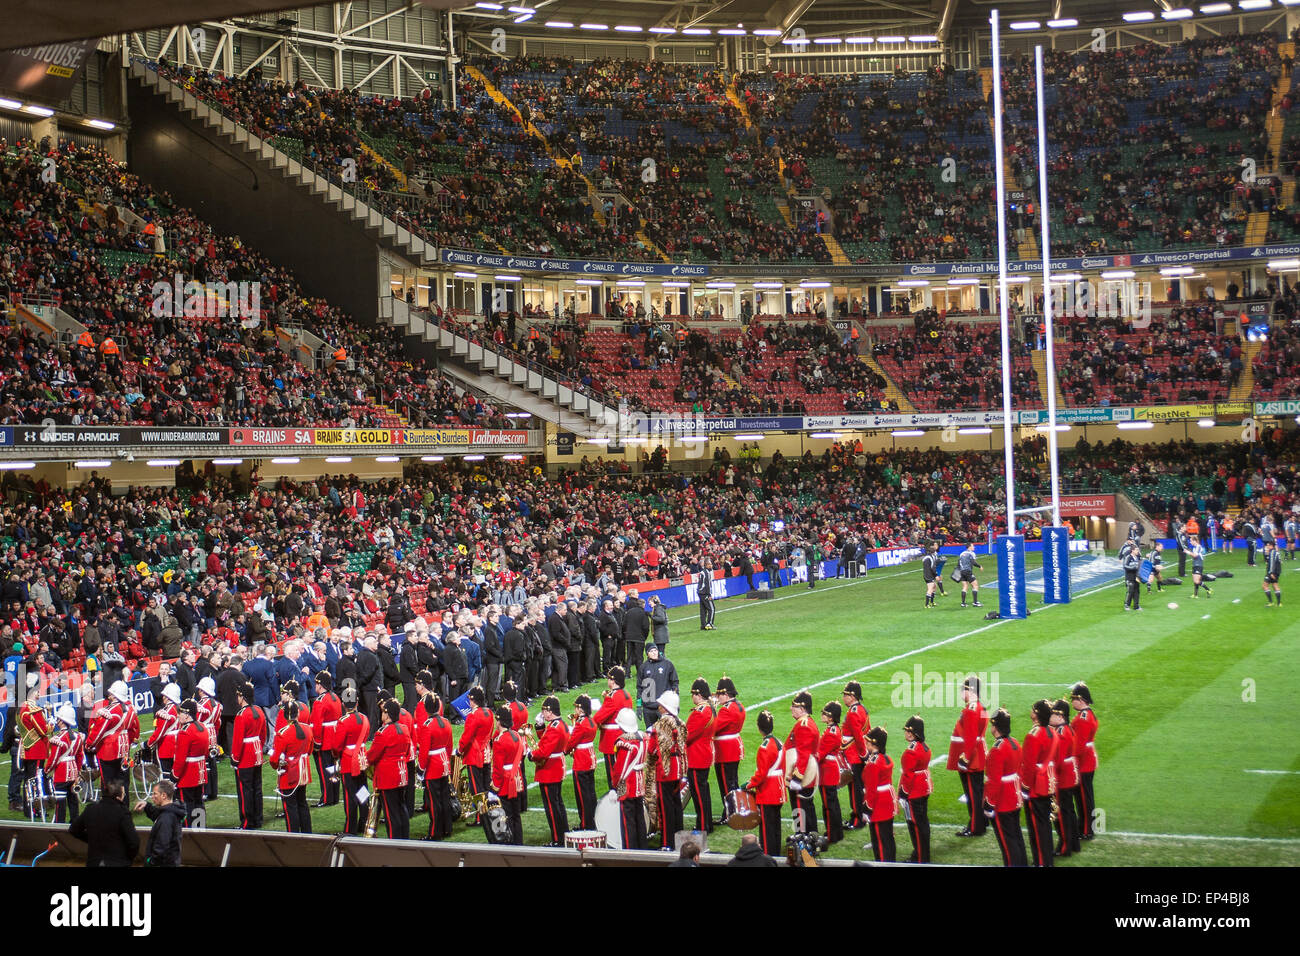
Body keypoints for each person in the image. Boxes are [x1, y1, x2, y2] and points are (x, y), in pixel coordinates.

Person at [984, 707, 1028, 867]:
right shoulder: (1015, 743)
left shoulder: (997, 749)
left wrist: (989, 804)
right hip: (1015, 797)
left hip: (1003, 802)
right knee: (1016, 837)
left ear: (995, 727)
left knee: (1007, 843)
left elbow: (994, 781)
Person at [647, 689, 687, 850]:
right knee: (677, 803)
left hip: (665, 769)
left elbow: (652, 749)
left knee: (665, 807)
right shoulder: (680, 722)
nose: (659, 706)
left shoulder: (661, 724)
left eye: (661, 704)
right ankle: (679, 839)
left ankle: (667, 842)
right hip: (679, 767)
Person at [366, 699, 411, 840]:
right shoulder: (404, 728)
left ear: (387, 714)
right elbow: (408, 749)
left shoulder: (382, 732)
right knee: (401, 807)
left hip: (388, 776)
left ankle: (395, 840)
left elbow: (372, 755)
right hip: (401, 772)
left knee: (391, 813)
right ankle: (404, 837)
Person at [1020, 699, 1058, 868]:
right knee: (1044, 825)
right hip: (1048, 781)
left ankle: (1041, 862)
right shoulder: (1052, 732)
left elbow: (1029, 765)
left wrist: (1025, 787)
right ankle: (1046, 859)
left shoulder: (1034, 735)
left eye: (1033, 709)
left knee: (1037, 827)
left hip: (1035, 786)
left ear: (1036, 714)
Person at [949, 676, 988, 837]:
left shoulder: (972, 709)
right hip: (976, 755)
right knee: (976, 792)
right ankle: (981, 822)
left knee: (973, 794)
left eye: (963, 689)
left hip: (971, 758)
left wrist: (965, 758)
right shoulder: (978, 707)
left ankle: (975, 826)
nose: (961, 692)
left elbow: (971, 737)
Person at [530, 695, 570, 847]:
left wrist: (530, 755)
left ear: (549, 711)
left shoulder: (554, 728)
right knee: (558, 804)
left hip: (549, 770)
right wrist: (540, 728)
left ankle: (557, 839)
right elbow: (547, 740)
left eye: (544, 711)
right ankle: (563, 833)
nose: (543, 714)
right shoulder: (560, 724)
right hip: (556, 767)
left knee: (552, 808)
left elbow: (544, 751)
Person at [69, 780, 139, 867]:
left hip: (94, 861)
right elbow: (134, 841)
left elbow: (74, 830)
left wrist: (91, 838)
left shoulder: (90, 809)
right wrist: (128, 857)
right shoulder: (122, 812)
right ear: (118, 797)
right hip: (118, 861)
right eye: (124, 795)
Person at [743, 710, 784, 857]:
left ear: (759, 727)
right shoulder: (779, 742)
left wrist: (748, 785)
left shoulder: (765, 747)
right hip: (779, 789)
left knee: (766, 827)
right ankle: (776, 853)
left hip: (768, 791)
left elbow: (761, 774)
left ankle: (768, 855)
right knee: (776, 824)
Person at [269, 700, 313, 834]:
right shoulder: (307, 729)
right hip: (303, 770)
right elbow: (309, 751)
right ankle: (307, 832)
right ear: (298, 713)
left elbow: (274, 759)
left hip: (289, 772)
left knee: (290, 807)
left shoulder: (283, 733)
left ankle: (293, 834)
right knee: (302, 803)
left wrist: (275, 764)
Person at [416, 691, 454, 840]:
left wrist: (421, 769)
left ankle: (435, 832)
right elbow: (449, 746)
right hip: (444, 762)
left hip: (433, 765)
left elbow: (424, 752)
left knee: (434, 801)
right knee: (445, 798)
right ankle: (447, 828)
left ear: (426, 709)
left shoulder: (427, 726)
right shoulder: (446, 722)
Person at [87, 680, 139, 790]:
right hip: (124, 748)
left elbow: (98, 731)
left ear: (114, 695)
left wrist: (89, 744)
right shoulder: (130, 710)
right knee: (123, 782)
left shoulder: (109, 711)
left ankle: (112, 806)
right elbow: (133, 729)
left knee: (109, 784)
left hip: (109, 750)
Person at [230, 681, 266, 830]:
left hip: (245, 756)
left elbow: (238, 740)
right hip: (257, 753)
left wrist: (234, 758)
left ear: (242, 697)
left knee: (245, 790)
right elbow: (263, 735)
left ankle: (247, 821)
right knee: (256, 788)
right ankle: (258, 818)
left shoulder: (242, 714)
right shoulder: (258, 710)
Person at [336, 687, 371, 836]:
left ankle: (350, 828)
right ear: (357, 702)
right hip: (362, 758)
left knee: (350, 795)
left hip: (349, 760)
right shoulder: (364, 718)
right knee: (363, 792)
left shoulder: (343, 721)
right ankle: (364, 823)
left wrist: (336, 756)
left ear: (344, 704)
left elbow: (336, 745)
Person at [612, 707, 648, 850]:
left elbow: (620, 768)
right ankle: (642, 848)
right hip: (639, 780)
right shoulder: (643, 737)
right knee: (639, 817)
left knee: (628, 822)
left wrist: (615, 786)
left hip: (628, 784)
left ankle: (630, 851)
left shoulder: (624, 742)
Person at [711, 676, 745, 826]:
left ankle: (729, 814)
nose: (717, 698)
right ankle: (735, 810)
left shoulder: (726, 710)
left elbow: (714, 727)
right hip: (733, 748)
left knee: (726, 785)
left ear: (725, 694)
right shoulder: (738, 706)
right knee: (732, 782)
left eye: (719, 695)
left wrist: (713, 709)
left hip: (726, 751)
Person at [898, 715, 932, 864]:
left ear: (912, 733)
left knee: (915, 826)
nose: (905, 733)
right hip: (924, 788)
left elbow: (908, 775)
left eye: (907, 730)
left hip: (914, 792)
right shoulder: (924, 747)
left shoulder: (911, 751)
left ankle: (919, 857)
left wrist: (903, 794)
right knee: (923, 823)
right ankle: (924, 854)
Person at [593, 667, 633, 788]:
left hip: (612, 740)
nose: (608, 681)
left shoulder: (612, 697)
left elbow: (598, 718)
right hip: (625, 736)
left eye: (609, 679)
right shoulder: (626, 694)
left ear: (613, 681)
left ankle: (616, 796)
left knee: (613, 772)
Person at [1049, 700, 1080, 858]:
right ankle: (1074, 843)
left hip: (1062, 778)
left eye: (1053, 714)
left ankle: (1064, 847)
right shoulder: (1068, 729)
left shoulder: (1060, 733)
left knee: (1061, 813)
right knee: (1070, 811)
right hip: (1070, 775)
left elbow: (1058, 760)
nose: (1051, 716)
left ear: (1060, 717)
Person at [171, 699, 209, 828]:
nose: (178, 715)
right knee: (199, 803)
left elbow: (180, 758)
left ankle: (189, 832)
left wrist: (175, 776)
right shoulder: (202, 727)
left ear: (187, 714)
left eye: (180, 713)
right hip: (200, 771)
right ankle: (201, 828)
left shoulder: (185, 731)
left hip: (188, 773)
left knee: (186, 804)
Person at [45, 703, 85, 824]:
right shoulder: (78, 736)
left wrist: (47, 770)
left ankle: (59, 826)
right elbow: (80, 755)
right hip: (73, 773)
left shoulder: (59, 738)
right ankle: (75, 824)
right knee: (73, 803)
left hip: (61, 774)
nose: (57, 721)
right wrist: (78, 772)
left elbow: (54, 758)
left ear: (62, 721)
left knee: (60, 805)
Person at [489, 705, 523, 845]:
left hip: (505, 782)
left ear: (499, 721)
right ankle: (518, 841)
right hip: (516, 779)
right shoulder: (516, 735)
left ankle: (508, 842)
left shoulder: (499, 741)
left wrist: (495, 787)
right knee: (516, 815)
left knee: (505, 815)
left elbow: (498, 768)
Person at [1069, 682, 1099, 841]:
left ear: (1080, 699)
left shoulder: (1082, 719)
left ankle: (1087, 829)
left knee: (1083, 797)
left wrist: (1069, 762)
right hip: (1089, 758)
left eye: (1073, 698)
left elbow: (1078, 747)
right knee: (1086, 795)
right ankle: (1088, 827)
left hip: (1083, 762)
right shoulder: (1088, 714)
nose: (1072, 701)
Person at [862, 726, 896, 862]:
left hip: (878, 804)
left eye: (868, 742)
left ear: (874, 744)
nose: (866, 743)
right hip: (888, 799)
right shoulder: (885, 758)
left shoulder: (873, 763)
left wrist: (867, 808)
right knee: (888, 837)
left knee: (880, 841)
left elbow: (871, 788)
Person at [565, 694, 599, 829]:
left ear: (581, 709)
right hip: (590, 758)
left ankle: (585, 824)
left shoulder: (581, 723)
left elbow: (572, 742)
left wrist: (565, 750)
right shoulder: (591, 722)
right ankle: (593, 820)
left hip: (581, 761)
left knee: (582, 796)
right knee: (591, 793)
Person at [16, 687, 50, 816]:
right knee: (36, 780)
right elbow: (43, 730)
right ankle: (35, 809)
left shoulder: (23, 707)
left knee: (29, 779)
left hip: (28, 748)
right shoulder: (33, 709)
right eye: (36, 691)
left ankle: (28, 808)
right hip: (36, 749)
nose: (38, 693)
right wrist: (50, 725)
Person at [136, 778, 185, 867]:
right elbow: (157, 815)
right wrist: (147, 806)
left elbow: (162, 845)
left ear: (163, 795)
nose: (152, 797)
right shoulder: (170, 811)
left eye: (155, 794)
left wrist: (151, 861)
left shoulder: (167, 817)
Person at [841, 681, 870, 830]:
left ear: (852, 696)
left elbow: (858, 736)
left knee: (855, 789)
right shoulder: (861, 709)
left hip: (854, 754)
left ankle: (858, 819)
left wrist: (864, 754)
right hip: (858, 754)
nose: (844, 698)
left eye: (845, 695)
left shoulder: (853, 712)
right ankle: (857, 815)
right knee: (857, 787)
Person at [457, 687, 493, 807]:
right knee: (486, 785)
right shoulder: (489, 712)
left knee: (476, 787)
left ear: (473, 700)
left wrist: (459, 750)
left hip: (475, 755)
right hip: (487, 753)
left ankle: (480, 816)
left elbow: (467, 737)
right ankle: (487, 809)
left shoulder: (473, 716)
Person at [310, 671, 342, 807]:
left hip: (324, 740)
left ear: (320, 685)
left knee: (325, 771)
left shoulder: (320, 701)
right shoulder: (335, 697)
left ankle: (327, 798)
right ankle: (334, 796)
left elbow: (317, 725)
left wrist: (316, 743)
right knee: (334, 769)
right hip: (335, 738)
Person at [816, 701, 844, 845]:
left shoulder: (831, 733)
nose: (822, 715)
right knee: (832, 803)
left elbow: (820, 754)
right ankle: (836, 832)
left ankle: (832, 835)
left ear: (831, 717)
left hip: (827, 770)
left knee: (829, 804)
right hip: (828, 769)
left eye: (825, 713)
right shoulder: (831, 729)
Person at [147, 683, 182, 778]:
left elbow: (159, 733)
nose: (163, 698)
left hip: (167, 747)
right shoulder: (179, 709)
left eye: (164, 696)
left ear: (168, 697)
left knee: (166, 775)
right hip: (179, 744)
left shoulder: (166, 712)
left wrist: (148, 743)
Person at [195, 676, 222, 803]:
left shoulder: (201, 705)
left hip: (203, 732)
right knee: (212, 763)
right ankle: (213, 791)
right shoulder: (216, 704)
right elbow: (218, 722)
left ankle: (205, 791)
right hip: (212, 732)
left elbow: (197, 721)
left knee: (203, 763)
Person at [639, 643, 678, 726]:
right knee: (650, 733)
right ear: (647, 653)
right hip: (648, 707)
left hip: (664, 707)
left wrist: (675, 703)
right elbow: (639, 687)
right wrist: (639, 705)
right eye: (651, 651)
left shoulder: (667, 664)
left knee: (666, 733)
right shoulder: (643, 667)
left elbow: (675, 683)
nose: (654, 653)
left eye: (655, 650)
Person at [622, 595, 650, 686]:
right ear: (643, 605)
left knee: (629, 656)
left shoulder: (628, 612)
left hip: (629, 637)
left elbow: (624, 624)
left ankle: (627, 673)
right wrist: (644, 637)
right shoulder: (643, 613)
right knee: (639, 657)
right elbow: (646, 627)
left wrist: (626, 634)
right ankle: (640, 673)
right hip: (639, 638)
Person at [956, 542, 983, 608]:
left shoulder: (962, 553)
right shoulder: (971, 553)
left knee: (965, 586)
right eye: (973, 546)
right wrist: (980, 566)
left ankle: (963, 603)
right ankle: (975, 603)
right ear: (969, 547)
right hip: (968, 571)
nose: (974, 547)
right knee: (975, 585)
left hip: (962, 571)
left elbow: (959, 563)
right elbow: (973, 562)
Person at [1122, 538, 1142, 611]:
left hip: (1136, 577)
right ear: (1132, 550)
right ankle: (1127, 605)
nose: (1138, 551)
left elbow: (1140, 566)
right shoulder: (1128, 557)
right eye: (1137, 550)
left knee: (1137, 591)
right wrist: (1133, 567)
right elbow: (1125, 566)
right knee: (1130, 591)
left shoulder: (1137, 557)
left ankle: (1136, 606)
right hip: (1129, 577)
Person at [1264, 539, 1283, 606]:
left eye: (1268, 545)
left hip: (1272, 572)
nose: (1267, 546)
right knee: (1275, 585)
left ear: (1271, 546)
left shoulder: (1272, 552)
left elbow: (1272, 563)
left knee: (1265, 586)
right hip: (1277, 572)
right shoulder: (1275, 552)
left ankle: (1271, 602)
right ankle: (1279, 603)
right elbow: (1280, 561)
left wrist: (1271, 573)